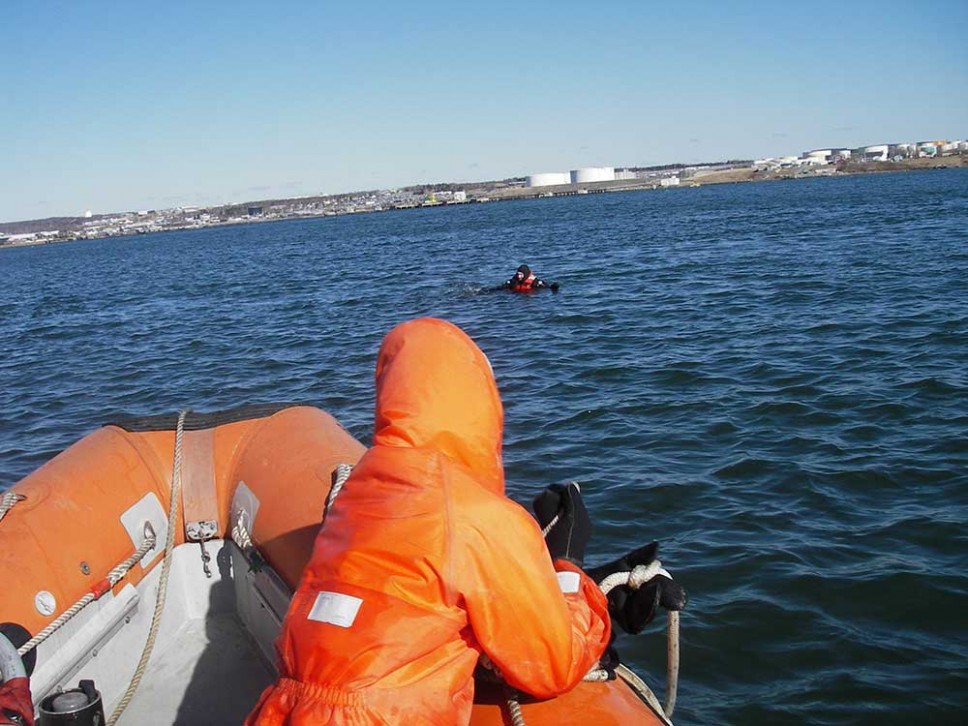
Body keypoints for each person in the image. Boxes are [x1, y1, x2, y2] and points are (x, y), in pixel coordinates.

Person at [246, 317, 610, 725]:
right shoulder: (475, 514)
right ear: (480, 404)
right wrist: (569, 572)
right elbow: (552, 667)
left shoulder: (356, 492)